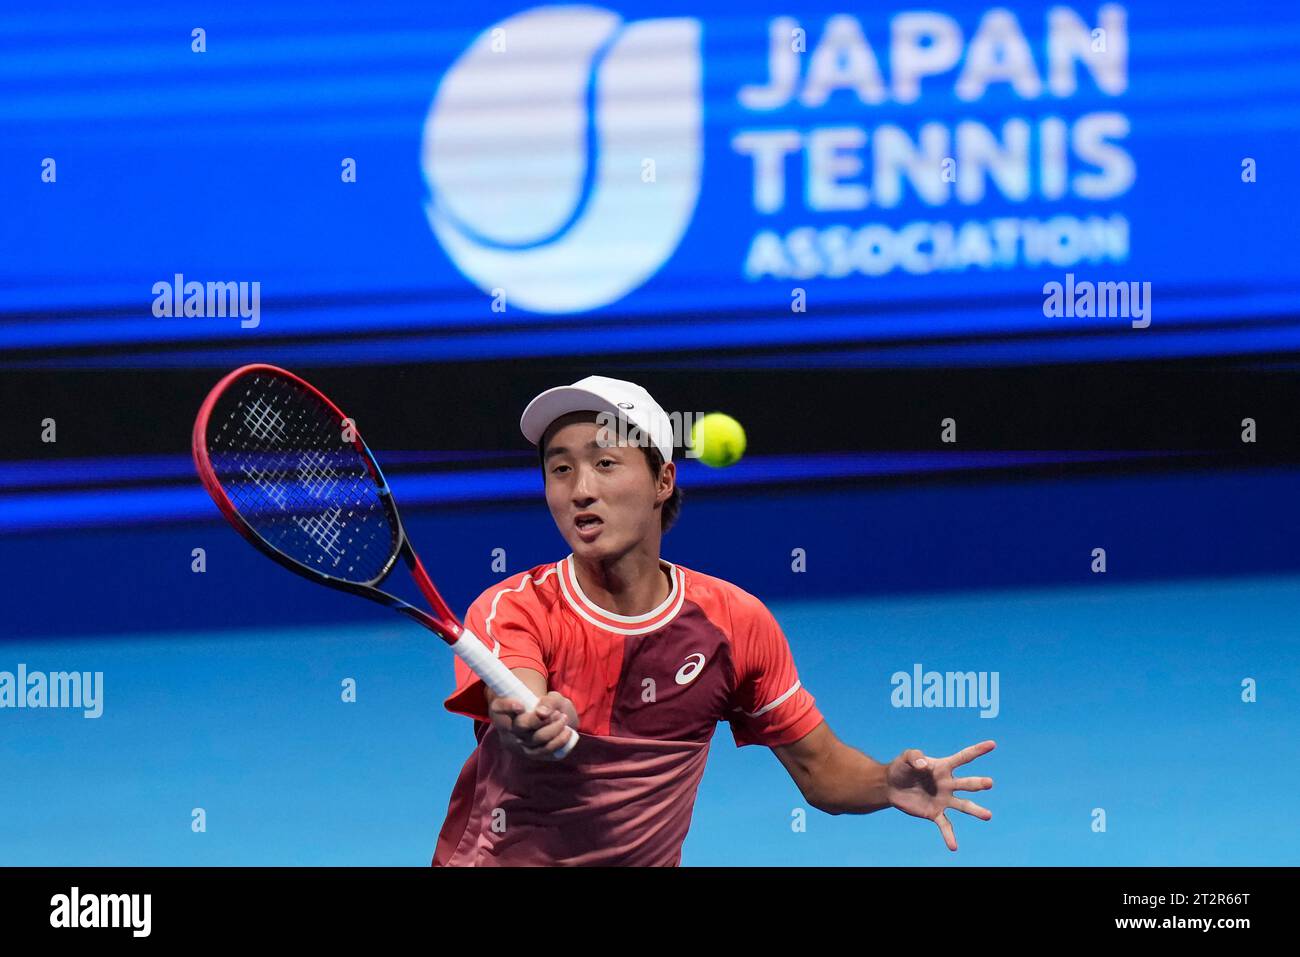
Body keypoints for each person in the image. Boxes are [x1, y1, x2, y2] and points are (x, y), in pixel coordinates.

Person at [432, 375, 994, 866]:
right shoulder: (516, 607)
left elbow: (820, 768)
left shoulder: (733, 623)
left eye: (605, 463)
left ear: (662, 481)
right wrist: (532, 720)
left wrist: (885, 783)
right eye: (560, 469)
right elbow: (519, 705)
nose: (581, 490)